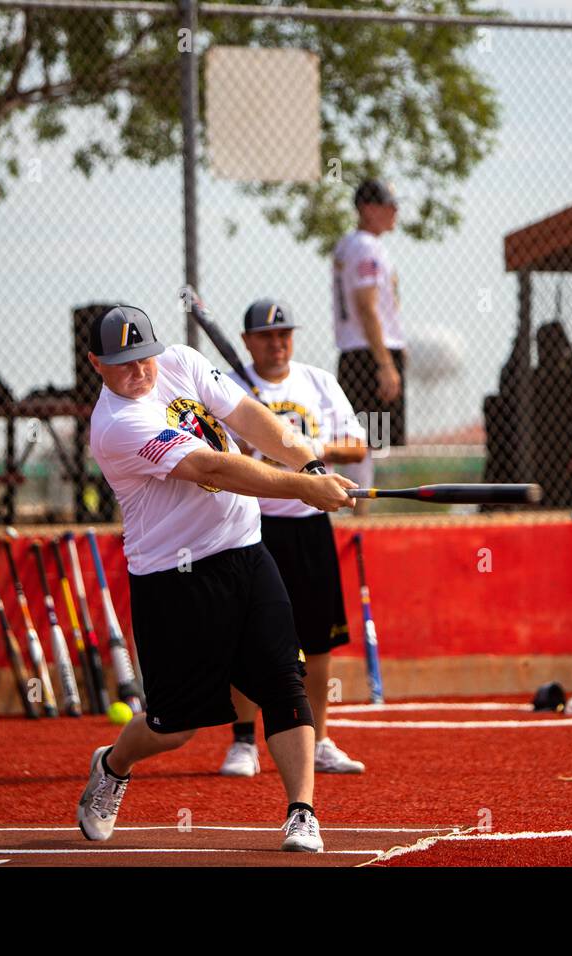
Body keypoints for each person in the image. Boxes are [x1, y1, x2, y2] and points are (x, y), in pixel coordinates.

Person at [75, 304, 357, 853]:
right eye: (123, 365)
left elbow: (248, 415)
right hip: (172, 577)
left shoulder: (179, 361)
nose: (139, 373)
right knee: (174, 726)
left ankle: (302, 812)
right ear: (96, 365)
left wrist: (309, 464)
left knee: (284, 681)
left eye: (145, 359)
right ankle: (113, 765)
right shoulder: (115, 426)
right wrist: (301, 489)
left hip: (245, 551)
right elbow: (211, 467)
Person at [219, 298, 369, 778]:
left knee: (318, 638)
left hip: (310, 523)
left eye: (284, 333)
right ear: (247, 342)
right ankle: (244, 741)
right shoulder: (229, 388)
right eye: (266, 335)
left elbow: (358, 444)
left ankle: (320, 739)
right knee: (245, 635)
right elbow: (211, 452)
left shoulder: (318, 382)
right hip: (251, 525)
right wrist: (248, 441)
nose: (277, 343)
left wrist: (304, 444)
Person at [332, 178, 406, 513]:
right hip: (367, 351)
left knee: (365, 438)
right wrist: (384, 362)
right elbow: (366, 304)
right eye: (387, 205)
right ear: (367, 208)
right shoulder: (366, 246)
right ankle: (358, 516)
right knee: (364, 438)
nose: (395, 211)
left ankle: (358, 513)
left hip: (358, 350)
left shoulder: (352, 244)